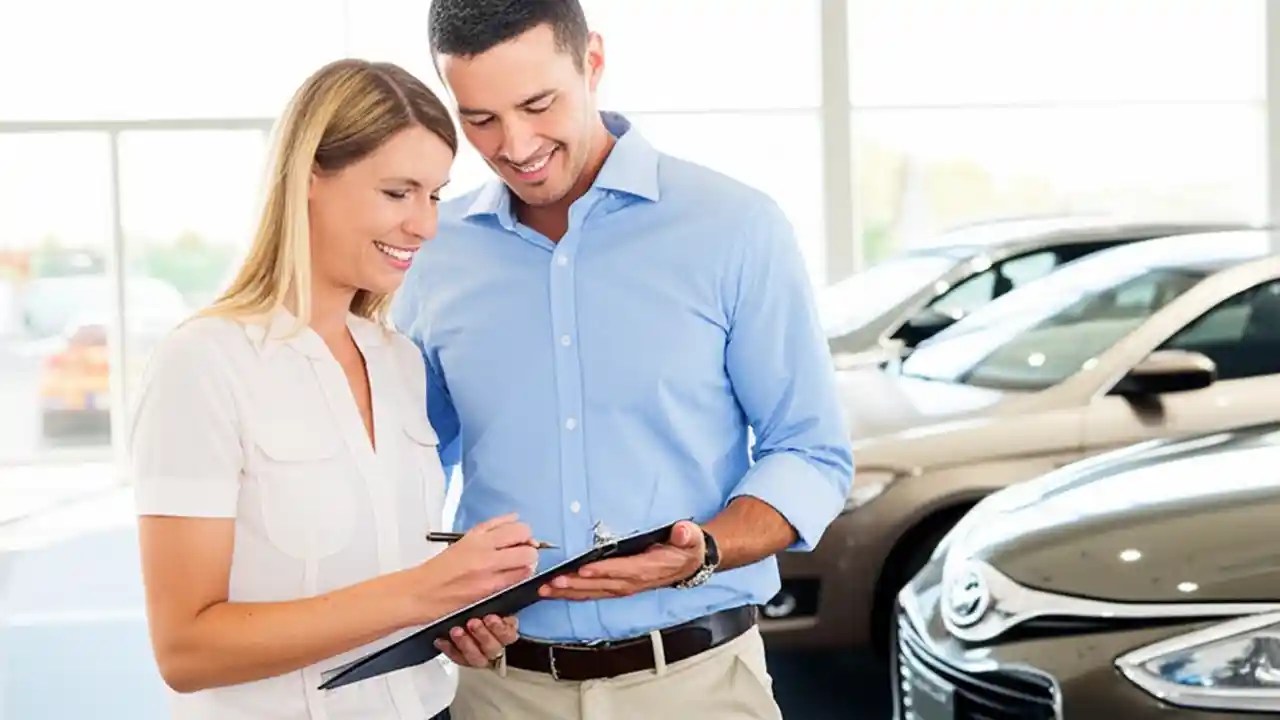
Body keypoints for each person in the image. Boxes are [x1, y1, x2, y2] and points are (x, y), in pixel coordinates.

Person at [391, 2, 855, 718]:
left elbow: (812, 452)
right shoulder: (435, 252)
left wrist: (703, 550)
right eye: (479, 118)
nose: (514, 144)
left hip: (700, 686)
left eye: (538, 104)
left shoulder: (734, 227)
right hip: (502, 692)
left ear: (593, 62)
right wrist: (436, 597)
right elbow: (411, 463)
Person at [129, 58, 541, 720]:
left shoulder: (399, 361)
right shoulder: (203, 363)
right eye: (398, 192)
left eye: (434, 195)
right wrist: (423, 592)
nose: (425, 225)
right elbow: (186, 650)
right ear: (310, 178)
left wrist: (458, 615)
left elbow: (382, 587)